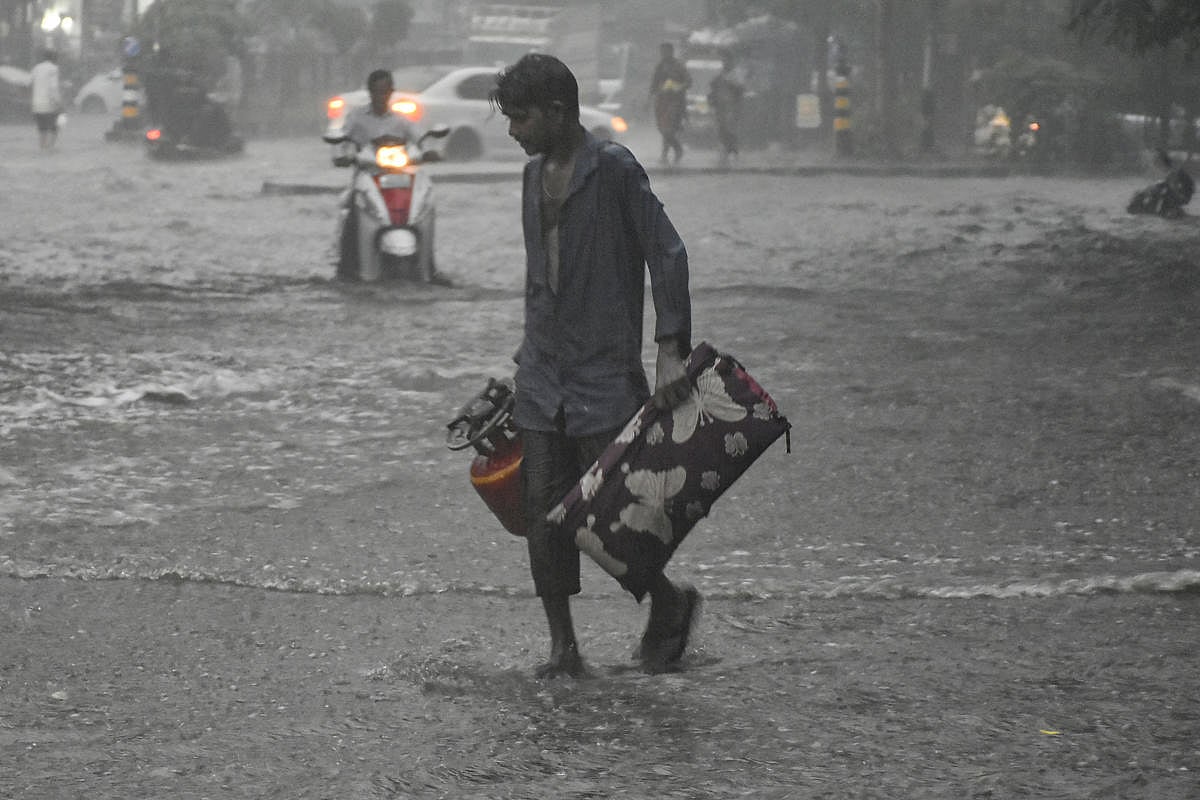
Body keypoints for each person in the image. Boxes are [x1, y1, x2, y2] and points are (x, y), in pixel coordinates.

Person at [491, 53, 700, 678]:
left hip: (604, 374)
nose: (514, 132)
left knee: (608, 515)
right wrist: (527, 351)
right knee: (542, 514)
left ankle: (668, 600)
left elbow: (668, 253)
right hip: (543, 374)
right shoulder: (532, 176)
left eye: (522, 118)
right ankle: (563, 648)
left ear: (558, 112)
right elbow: (540, 273)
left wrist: (670, 349)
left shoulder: (613, 168)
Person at [341, 69, 415, 150]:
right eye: (376, 92)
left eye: (384, 92)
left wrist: (424, 149)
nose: (380, 97)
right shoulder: (355, 117)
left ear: (391, 92)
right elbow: (342, 139)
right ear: (369, 92)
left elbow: (418, 138)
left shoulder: (401, 120)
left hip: (396, 157)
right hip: (364, 157)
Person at [649, 43, 691, 166]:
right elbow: (654, 84)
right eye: (662, 52)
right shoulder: (660, 66)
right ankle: (670, 151)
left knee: (668, 129)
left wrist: (678, 87)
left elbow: (688, 81)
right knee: (662, 128)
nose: (663, 54)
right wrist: (649, 99)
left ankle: (672, 151)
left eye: (666, 51)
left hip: (674, 102)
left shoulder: (679, 66)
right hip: (661, 101)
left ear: (671, 52)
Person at [707, 52, 744, 166]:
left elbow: (740, 88)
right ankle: (725, 151)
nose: (724, 63)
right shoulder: (721, 74)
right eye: (723, 61)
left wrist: (729, 83)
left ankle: (733, 151)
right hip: (720, 106)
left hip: (731, 106)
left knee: (730, 129)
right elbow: (713, 87)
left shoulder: (736, 73)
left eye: (726, 60)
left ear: (731, 61)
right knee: (721, 129)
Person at [30, 49, 63, 151]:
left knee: (42, 129)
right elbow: (53, 87)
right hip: (49, 104)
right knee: (56, 126)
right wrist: (59, 103)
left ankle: (42, 147)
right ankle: (51, 148)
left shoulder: (36, 68)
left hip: (36, 104)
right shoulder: (53, 69)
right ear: (55, 58)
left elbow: (29, 82)